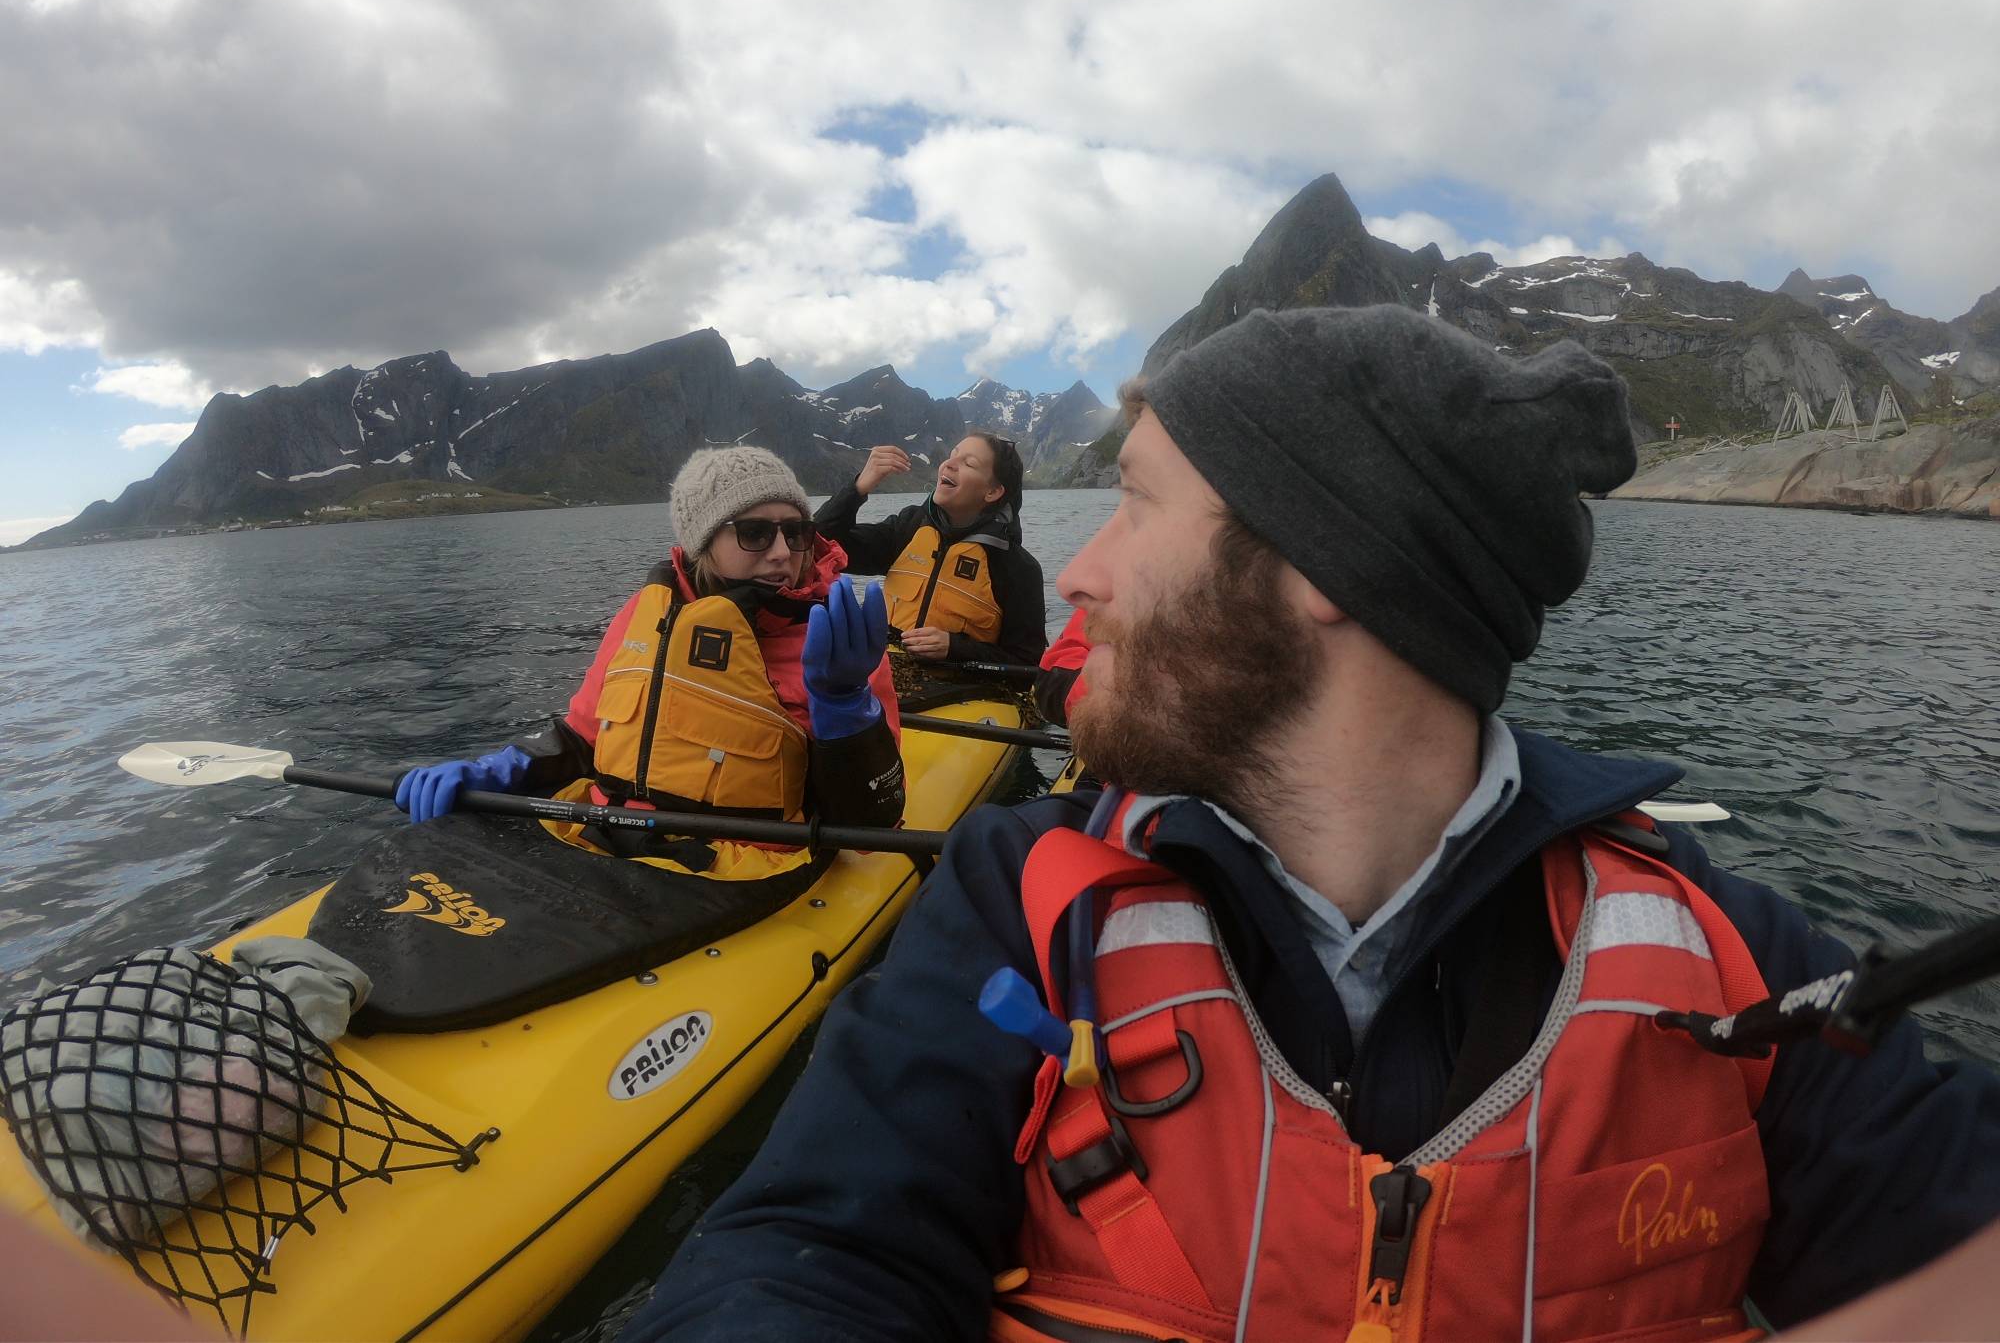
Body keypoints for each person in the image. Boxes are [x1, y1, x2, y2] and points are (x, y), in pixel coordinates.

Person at [621, 306, 2000, 1342]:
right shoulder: (1024, 897)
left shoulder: (1733, 968)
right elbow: (803, 1261)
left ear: (1323, 571)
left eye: (1140, 503)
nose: (1084, 568)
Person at [394, 446, 904, 858]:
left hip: (743, 873)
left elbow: (868, 824)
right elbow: (584, 737)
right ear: (704, 542)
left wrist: (845, 707)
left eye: (795, 532)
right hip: (604, 839)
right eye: (754, 532)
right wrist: (498, 771)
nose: (780, 552)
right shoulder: (647, 613)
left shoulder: (840, 643)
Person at [813, 432, 1048, 669]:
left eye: (968, 463)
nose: (949, 464)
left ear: (993, 491)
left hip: (967, 696)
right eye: (952, 455)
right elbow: (818, 546)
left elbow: (1026, 662)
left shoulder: (1018, 568)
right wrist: (859, 487)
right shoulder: (907, 527)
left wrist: (955, 648)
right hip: (885, 677)